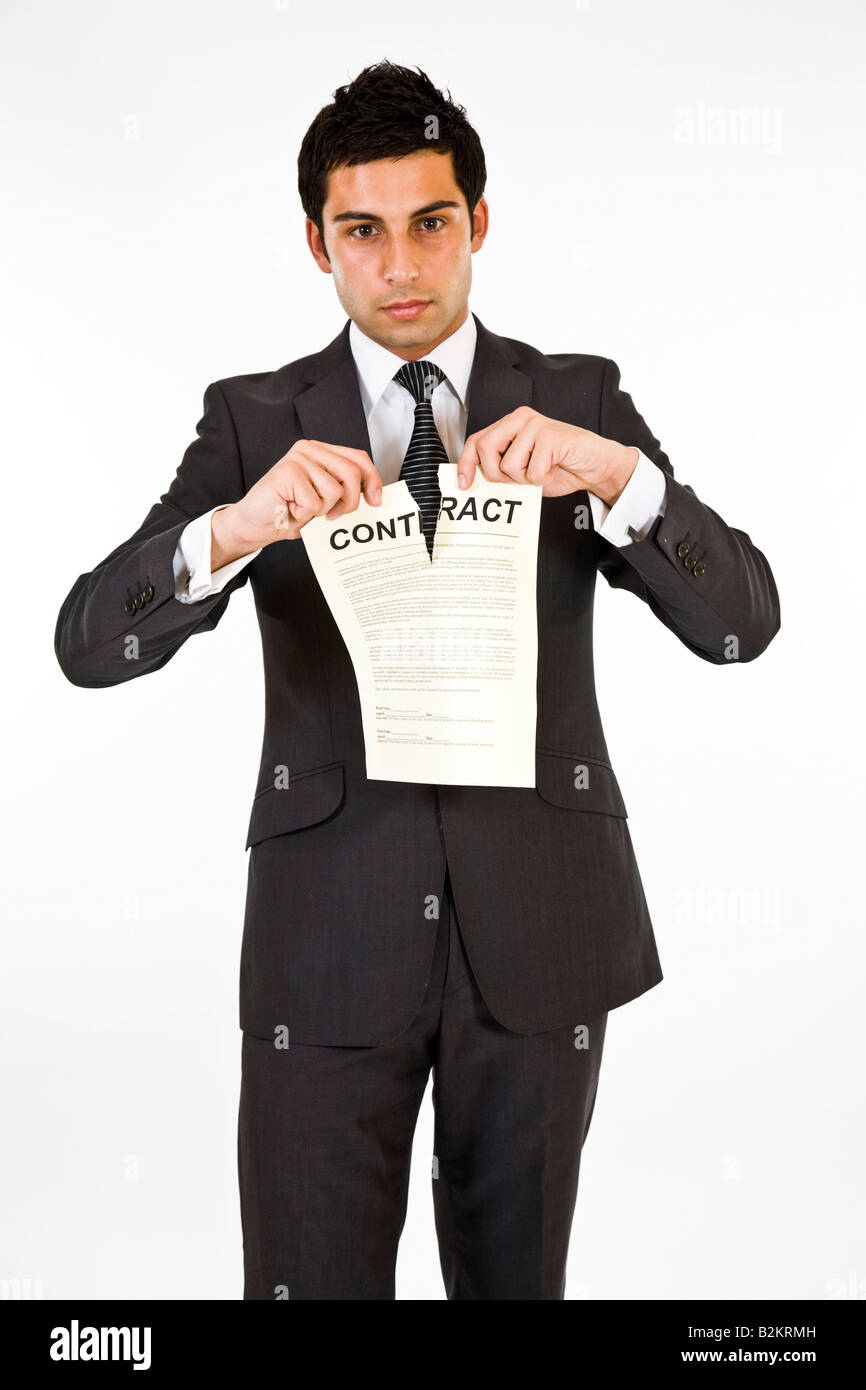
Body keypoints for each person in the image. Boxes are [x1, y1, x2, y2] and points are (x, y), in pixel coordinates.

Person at [54, 60, 781, 1300]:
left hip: (542, 933)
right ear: (316, 244)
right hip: (324, 940)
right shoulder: (250, 418)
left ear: (477, 224)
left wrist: (616, 477)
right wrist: (229, 530)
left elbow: (740, 623)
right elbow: (85, 642)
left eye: (430, 223)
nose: (400, 266)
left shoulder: (576, 398)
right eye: (362, 232)